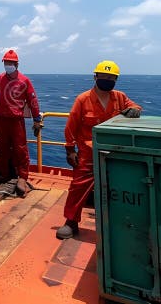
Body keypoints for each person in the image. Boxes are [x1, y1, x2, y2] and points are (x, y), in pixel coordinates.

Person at [56, 60, 141, 240]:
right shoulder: (83, 99)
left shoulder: (119, 97)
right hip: (88, 153)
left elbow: (135, 107)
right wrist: (70, 150)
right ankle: (71, 222)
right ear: (95, 77)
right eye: (104, 76)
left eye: (111, 77)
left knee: (118, 186)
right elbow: (71, 126)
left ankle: (118, 222)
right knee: (78, 187)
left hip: (113, 152)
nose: (107, 80)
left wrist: (134, 111)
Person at [0, 49, 42, 196]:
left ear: (16, 64)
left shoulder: (24, 81)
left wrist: (37, 119)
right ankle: (4, 173)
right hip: (3, 119)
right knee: (3, 147)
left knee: (20, 149)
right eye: (6, 62)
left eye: (10, 62)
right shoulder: (0, 79)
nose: (8, 65)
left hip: (17, 121)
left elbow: (33, 100)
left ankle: (23, 177)